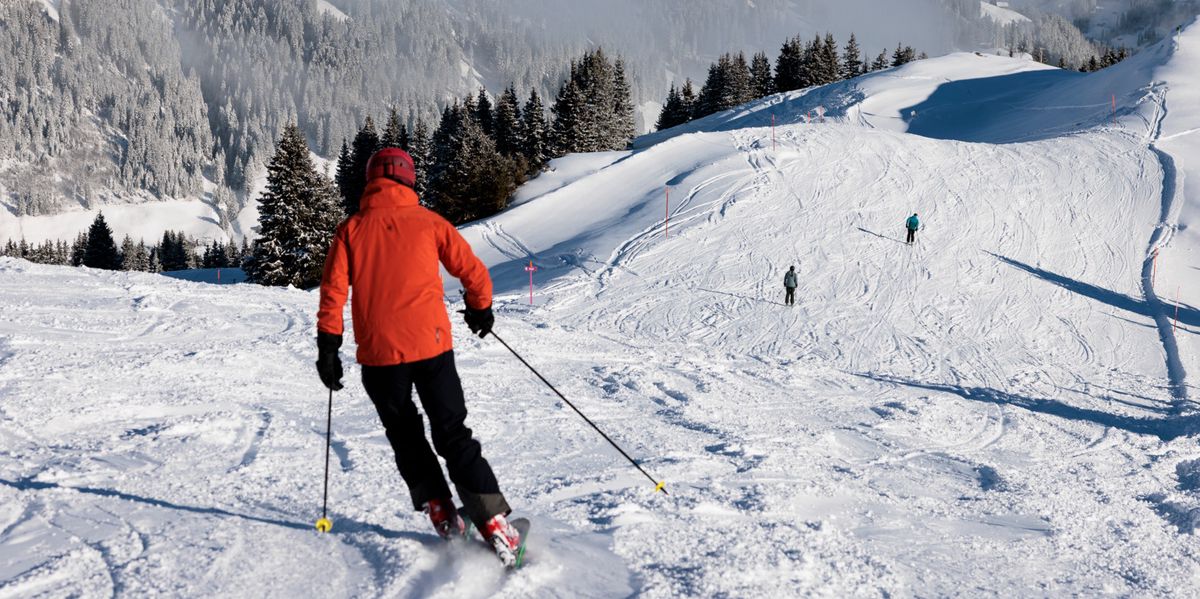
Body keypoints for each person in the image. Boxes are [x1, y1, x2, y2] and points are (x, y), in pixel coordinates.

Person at [315, 148, 522, 565]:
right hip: (431, 349)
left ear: (371, 181)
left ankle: (443, 513)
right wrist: (480, 308)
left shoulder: (350, 230)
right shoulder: (429, 223)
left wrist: (328, 347)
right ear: (409, 180)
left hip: (379, 356)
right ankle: (496, 526)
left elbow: (333, 294)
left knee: (406, 434)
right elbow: (473, 271)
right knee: (452, 433)